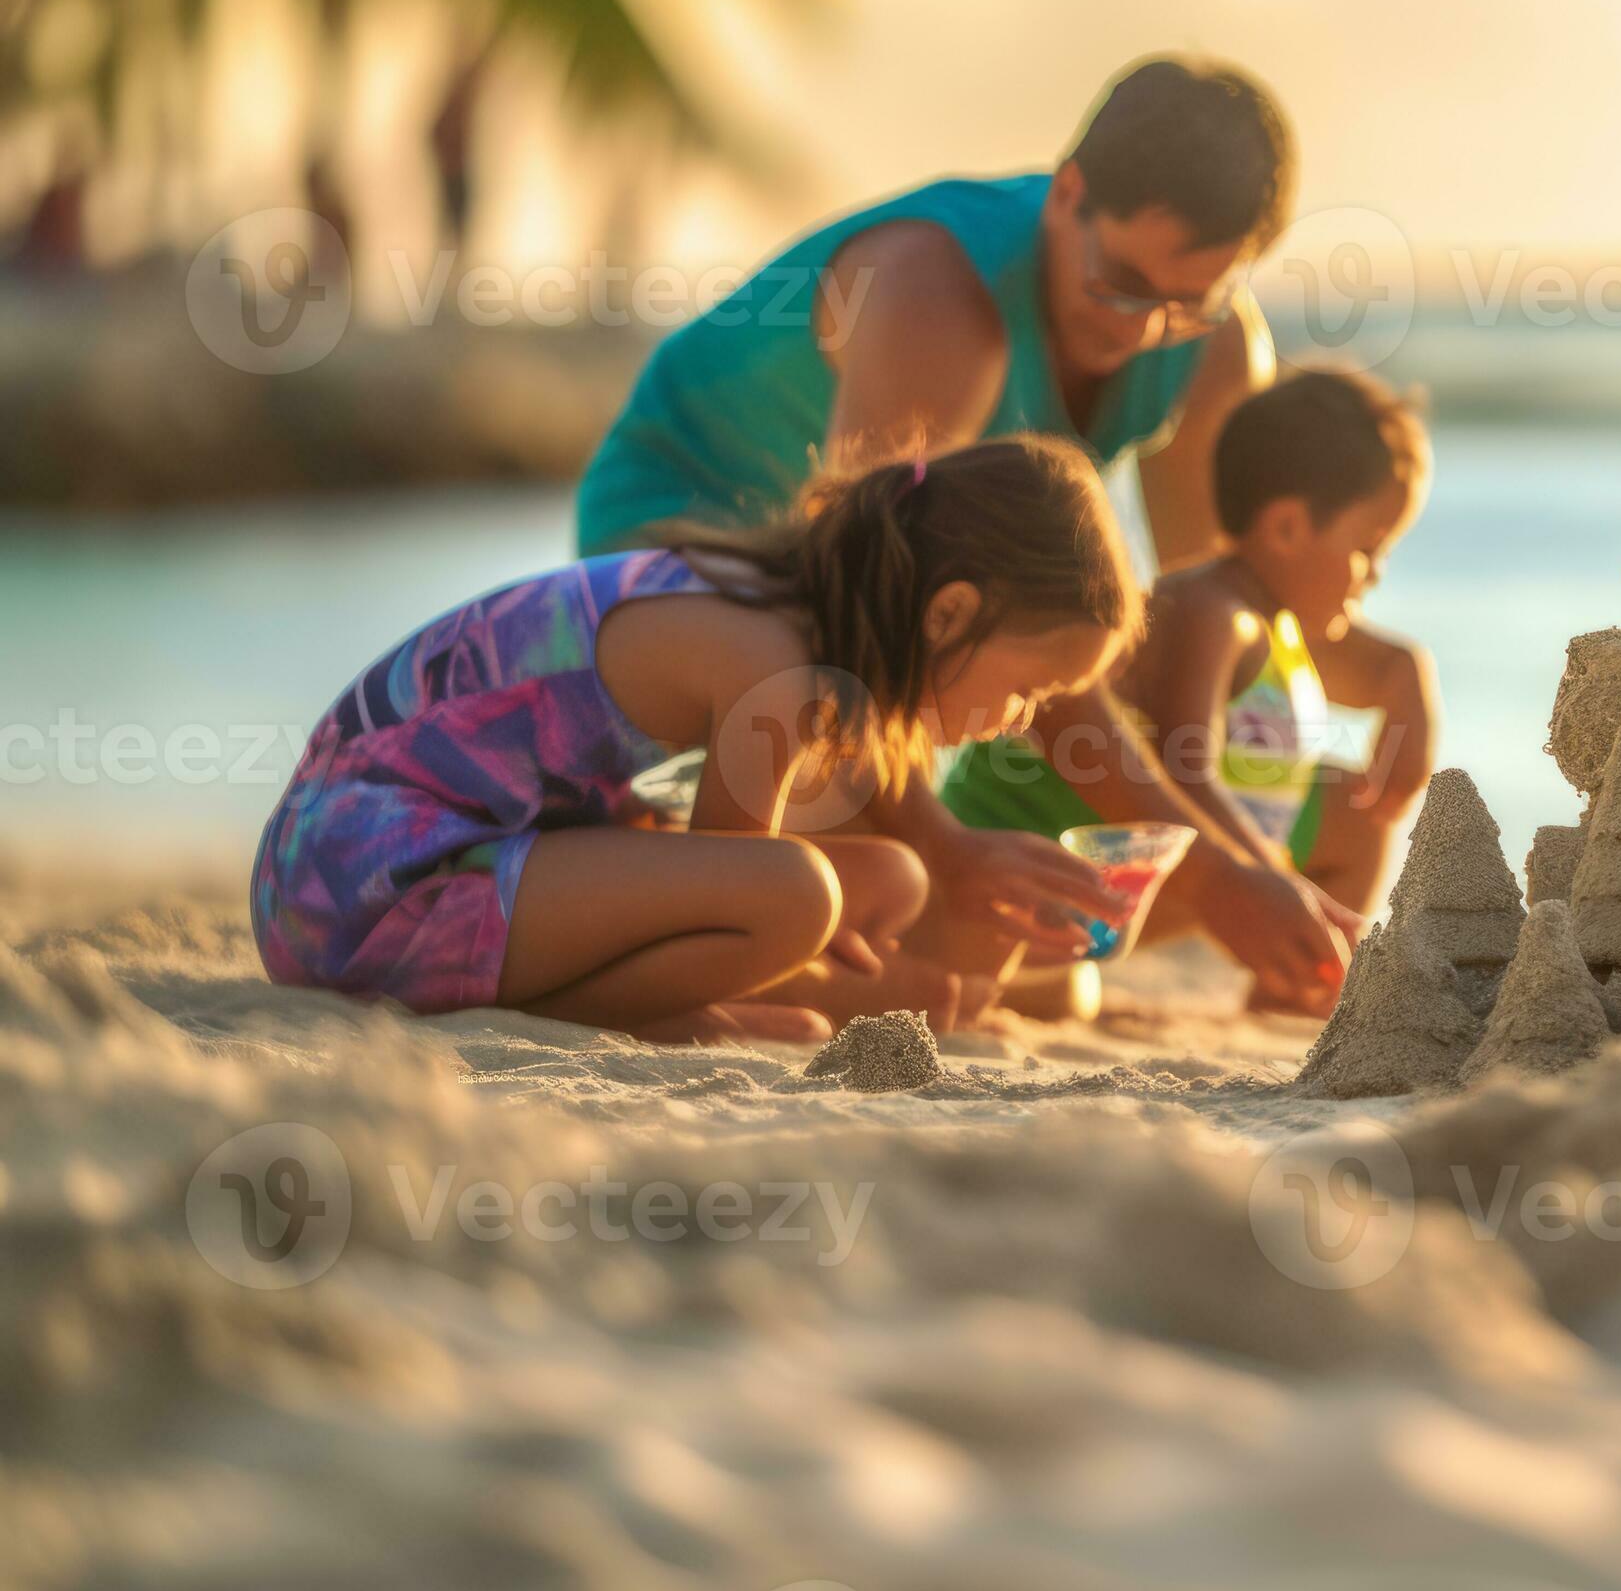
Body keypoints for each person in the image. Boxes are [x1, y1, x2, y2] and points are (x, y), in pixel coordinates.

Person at [571, 55, 1352, 1009]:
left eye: (1189, 302)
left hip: (920, 619)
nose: (1149, 329)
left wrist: (1249, 845)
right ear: (1067, 194)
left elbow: (1210, 612)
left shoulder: (1216, 343)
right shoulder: (939, 304)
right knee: (940, 946)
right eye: (1125, 283)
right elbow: (867, 617)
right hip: (715, 582)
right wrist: (1216, 876)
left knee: (1052, 932)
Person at [253, 439, 1139, 1045]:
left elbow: (720, 879)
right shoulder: (775, 668)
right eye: (1031, 688)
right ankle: (627, 1013)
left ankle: (650, 1000)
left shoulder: (777, 609)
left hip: (392, 853)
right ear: (949, 614)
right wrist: (861, 995)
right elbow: (748, 888)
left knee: (887, 877)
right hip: (358, 882)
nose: (1024, 716)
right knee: (799, 893)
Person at [958, 369, 1436, 987]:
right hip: (1043, 852)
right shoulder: (1212, 612)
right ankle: (1305, 970)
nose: (1375, 575)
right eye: (1369, 548)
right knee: (1061, 997)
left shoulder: (1273, 621)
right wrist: (1272, 877)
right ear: (1287, 527)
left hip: (1140, 872)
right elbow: (1185, 764)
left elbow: (1371, 665)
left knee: (1356, 813)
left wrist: (1410, 678)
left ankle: (1297, 988)